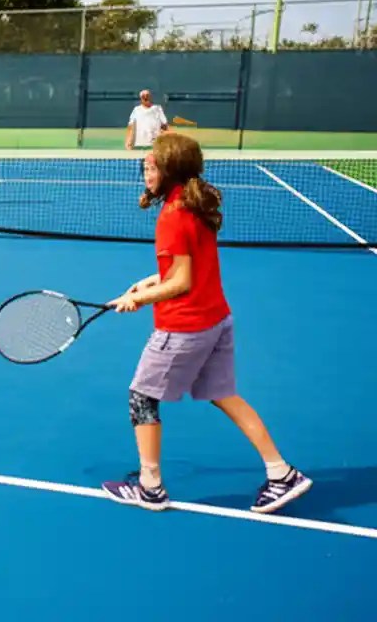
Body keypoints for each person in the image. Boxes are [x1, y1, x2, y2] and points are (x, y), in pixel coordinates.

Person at [101, 132, 311, 514]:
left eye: (151, 163)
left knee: (141, 398)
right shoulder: (194, 203)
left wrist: (138, 299)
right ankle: (282, 473)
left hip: (184, 327)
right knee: (224, 395)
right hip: (216, 320)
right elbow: (187, 266)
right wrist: (149, 281)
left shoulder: (172, 215)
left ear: (169, 169)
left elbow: (180, 283)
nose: (145, 168)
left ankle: (149, 487)